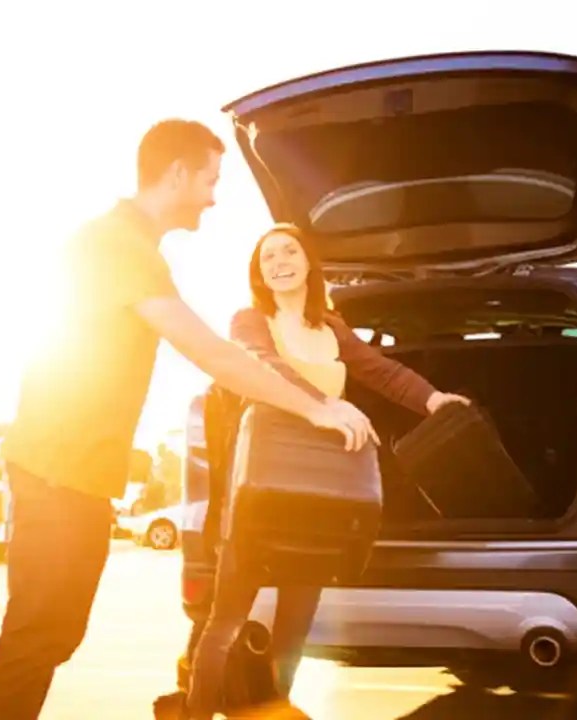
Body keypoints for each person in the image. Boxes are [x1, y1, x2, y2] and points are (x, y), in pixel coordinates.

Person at [0, 120, 377, 720]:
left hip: (77, 477)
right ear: (177, 174)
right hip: (54, 472)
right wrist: (316, 408)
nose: (215, 196)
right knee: (38, 635)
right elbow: (214, 354)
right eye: (211, 179)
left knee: (54, 633)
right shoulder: (119, 246)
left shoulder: (129, 248)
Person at [183, 223, 469, 719]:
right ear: (260, 273)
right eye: (268, 256)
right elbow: (264, 365)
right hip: (261, 490)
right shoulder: (250, 321)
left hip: (321, 495)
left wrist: (433, 399)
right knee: (225, 621)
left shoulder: (332, 328)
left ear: (309, 262)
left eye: (289, 250)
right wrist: (327, 406)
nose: (280, 260)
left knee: (294, 627)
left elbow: (382, 371)